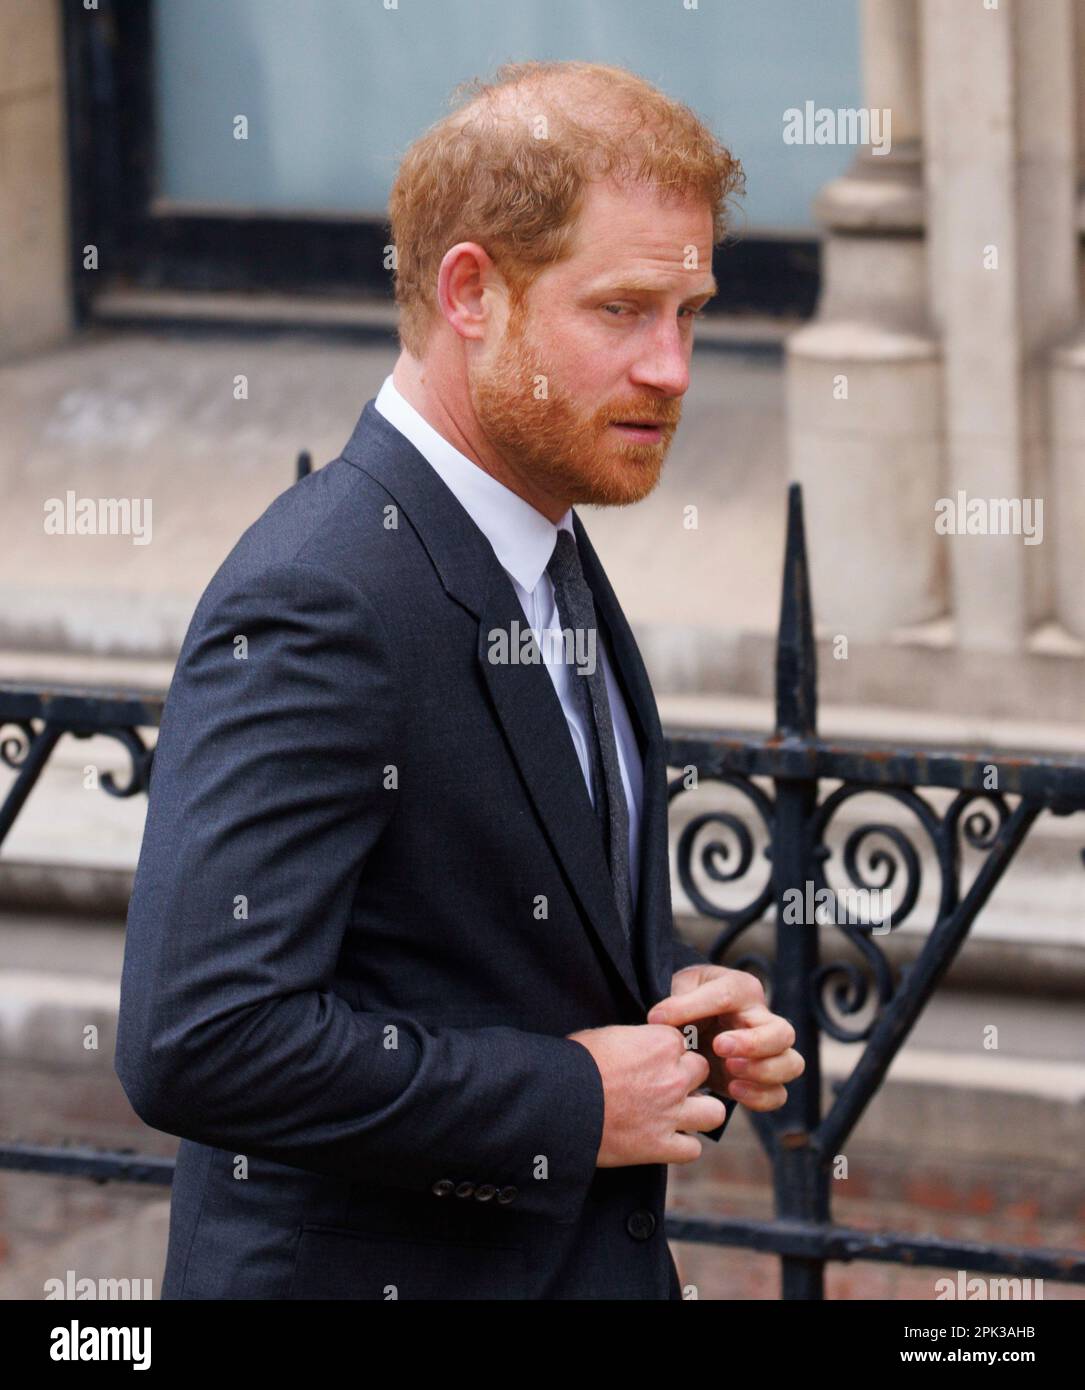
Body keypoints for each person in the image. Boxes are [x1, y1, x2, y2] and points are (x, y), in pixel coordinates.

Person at [115, 59, 803, 1301]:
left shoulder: (544, 534)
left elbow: (479, 930)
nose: (672, 367)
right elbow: (196, 1040)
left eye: (690, 312)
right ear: (470, 292)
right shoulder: (323, 592)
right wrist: (573, 1097)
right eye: (621, 310)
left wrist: (674, 1013)